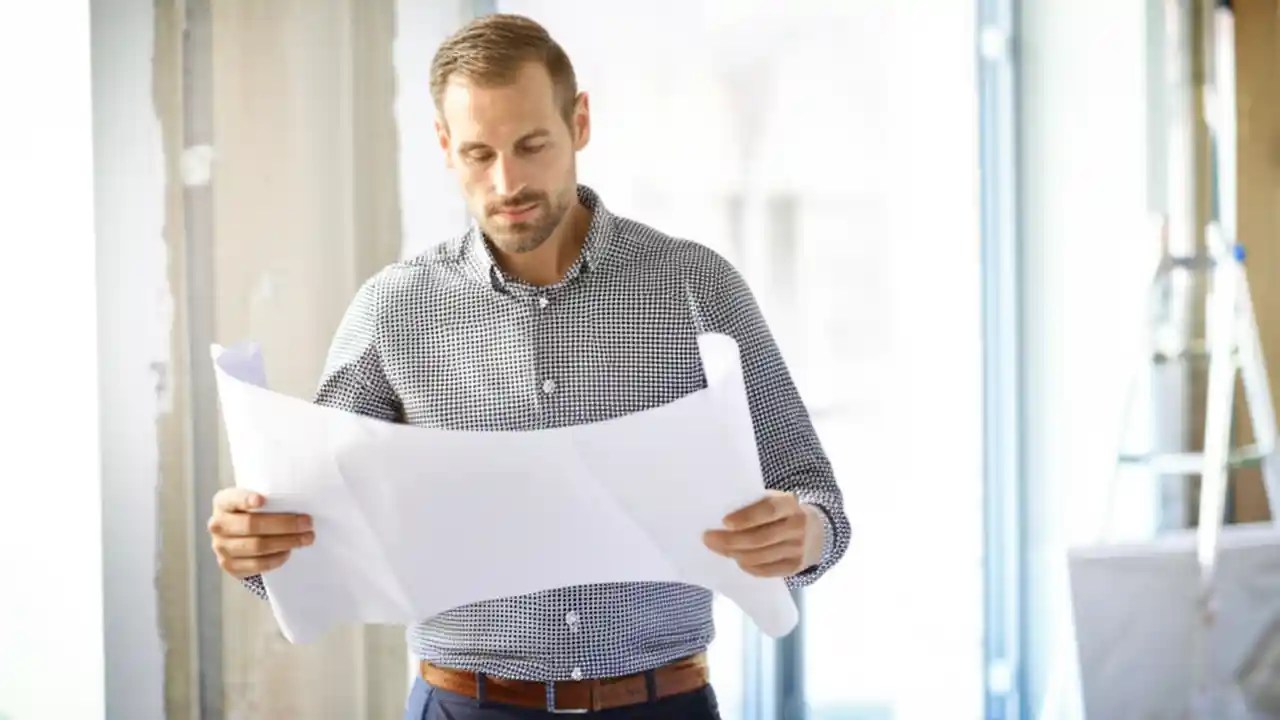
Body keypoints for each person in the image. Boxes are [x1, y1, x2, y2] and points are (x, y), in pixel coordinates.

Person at [206, 13, 849, 719]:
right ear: (445, 147)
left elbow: (814, 495)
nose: (506, 181)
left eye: (531, 144)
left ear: (579, 123)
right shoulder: (393, 310)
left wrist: (803, 531)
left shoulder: (696, 286)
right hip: (464, 706)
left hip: (663, 702)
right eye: (478, 153)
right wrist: (257, 547)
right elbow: (318, 526)